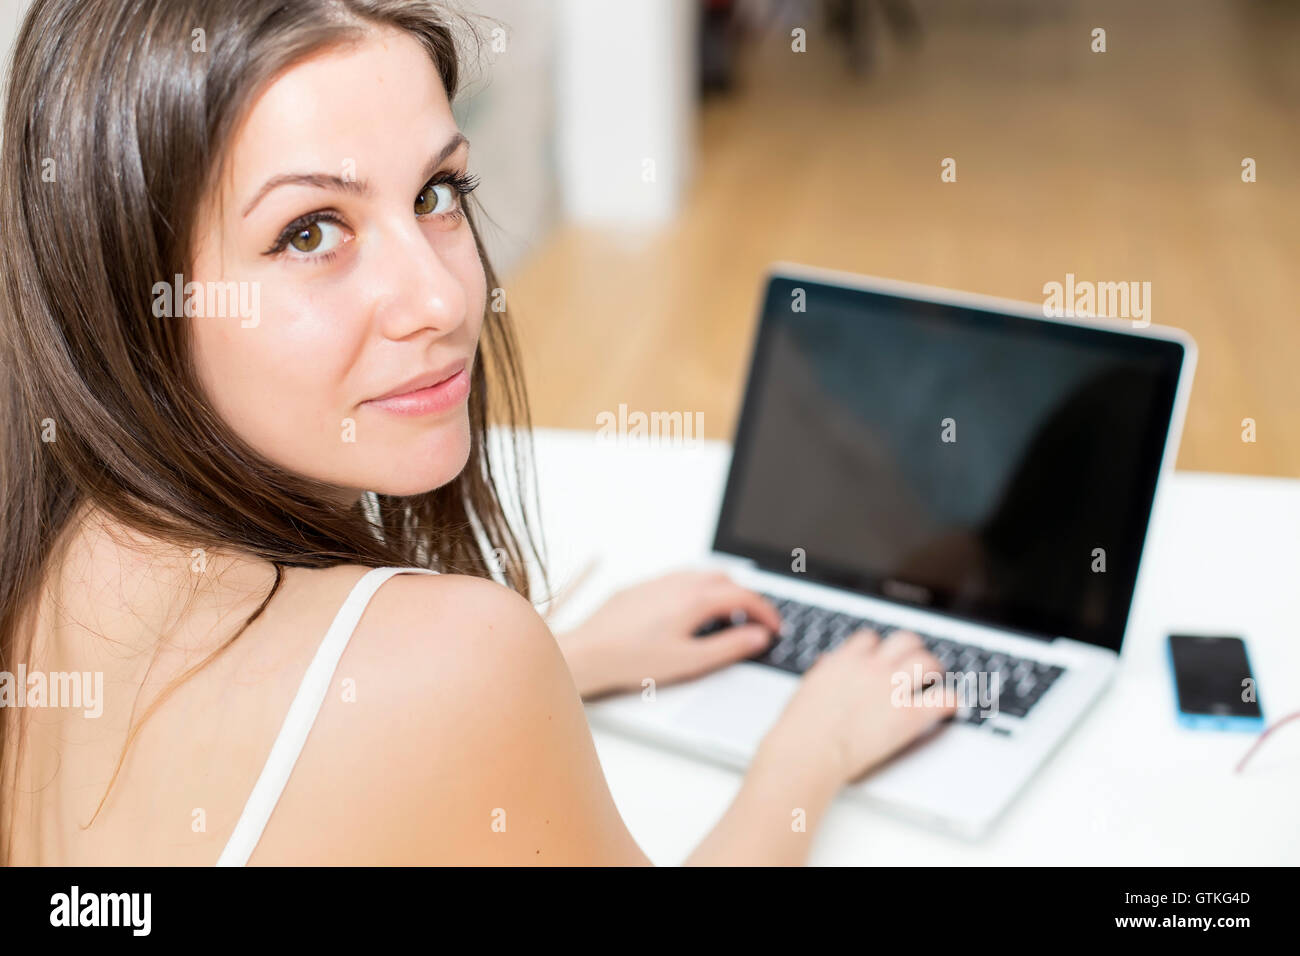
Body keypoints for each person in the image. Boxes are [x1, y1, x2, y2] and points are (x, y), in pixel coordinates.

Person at [0, 0, 953, 866]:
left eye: (435, 194)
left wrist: (569, 660)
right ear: (131, 289)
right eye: (308, 232)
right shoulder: (461, 660)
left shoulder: (52, 554)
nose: (443, 296)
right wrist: (809, 751)